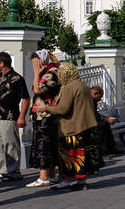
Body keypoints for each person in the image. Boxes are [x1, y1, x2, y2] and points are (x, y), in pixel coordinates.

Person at [38, 62, 104, 190]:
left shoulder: (69, 87)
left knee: (69, 155)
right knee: (82, 155)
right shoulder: (82, 84)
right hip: (86, 126)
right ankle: (81, 181)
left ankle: (66, 180)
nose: (58, 75)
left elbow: (63, 109)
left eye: (60, 73)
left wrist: (45, 108)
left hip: (72, 127)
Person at [0, 51, 30, 181]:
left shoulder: (17, 79)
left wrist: (22, 116)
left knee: (10, 143)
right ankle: (4, 170)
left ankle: (14, 171)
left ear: (2, 63)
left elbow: (25, 98)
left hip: (10, 115)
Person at [27, 49, 61, 188]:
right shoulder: (50, 72)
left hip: (46, 115)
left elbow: (37, 90)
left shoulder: (51, 73)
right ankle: (51, 175)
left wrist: (36, 73)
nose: (34, 66)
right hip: (44, 114)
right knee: (50, 145)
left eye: (35, 63)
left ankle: (44, 176)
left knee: (44, 145)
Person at [90, 86, 124, 155]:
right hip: (88, 123)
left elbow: (95, 114)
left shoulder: (93, 100)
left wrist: (106, 118)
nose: (100, 99)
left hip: (92, 121)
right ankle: (105, 149)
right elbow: (92, 115)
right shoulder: (90, 101)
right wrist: (106, 120)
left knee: (105, 125)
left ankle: (111, 148)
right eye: (99, 97)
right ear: (94, 94)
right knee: (103, 126)